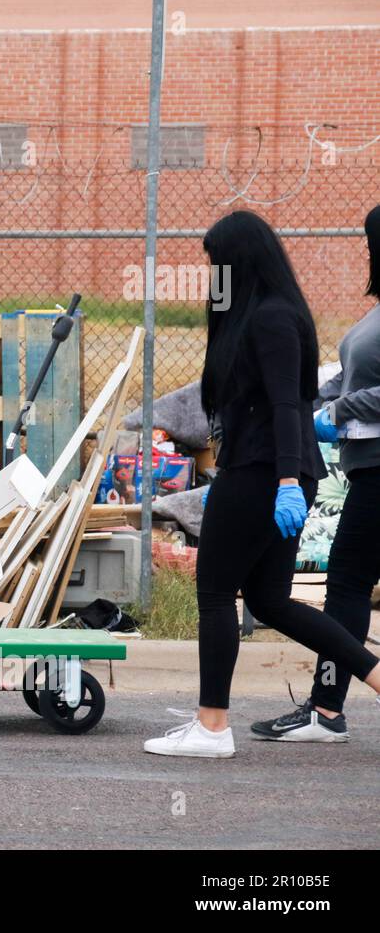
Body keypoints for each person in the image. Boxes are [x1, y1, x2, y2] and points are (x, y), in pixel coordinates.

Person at [143, 209, 380, 757]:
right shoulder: (257, 313)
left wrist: (286, 483)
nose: (212, 276)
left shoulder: (272, 317)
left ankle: (211, 727)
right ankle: (374, 675)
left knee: (215, 592)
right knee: (271, 601)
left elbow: (283, 405)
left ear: (239, 261)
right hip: (271, 472)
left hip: (261, 474)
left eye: (216, 264)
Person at [248, 204, 380, 741]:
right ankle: (325, 709)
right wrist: (314, 402)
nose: (367, 252)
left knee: (347, 585)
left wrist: (336, 415)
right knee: (348, 585)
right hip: (367, 468)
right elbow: (353, 380)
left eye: (371, 244)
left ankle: (327, 710)